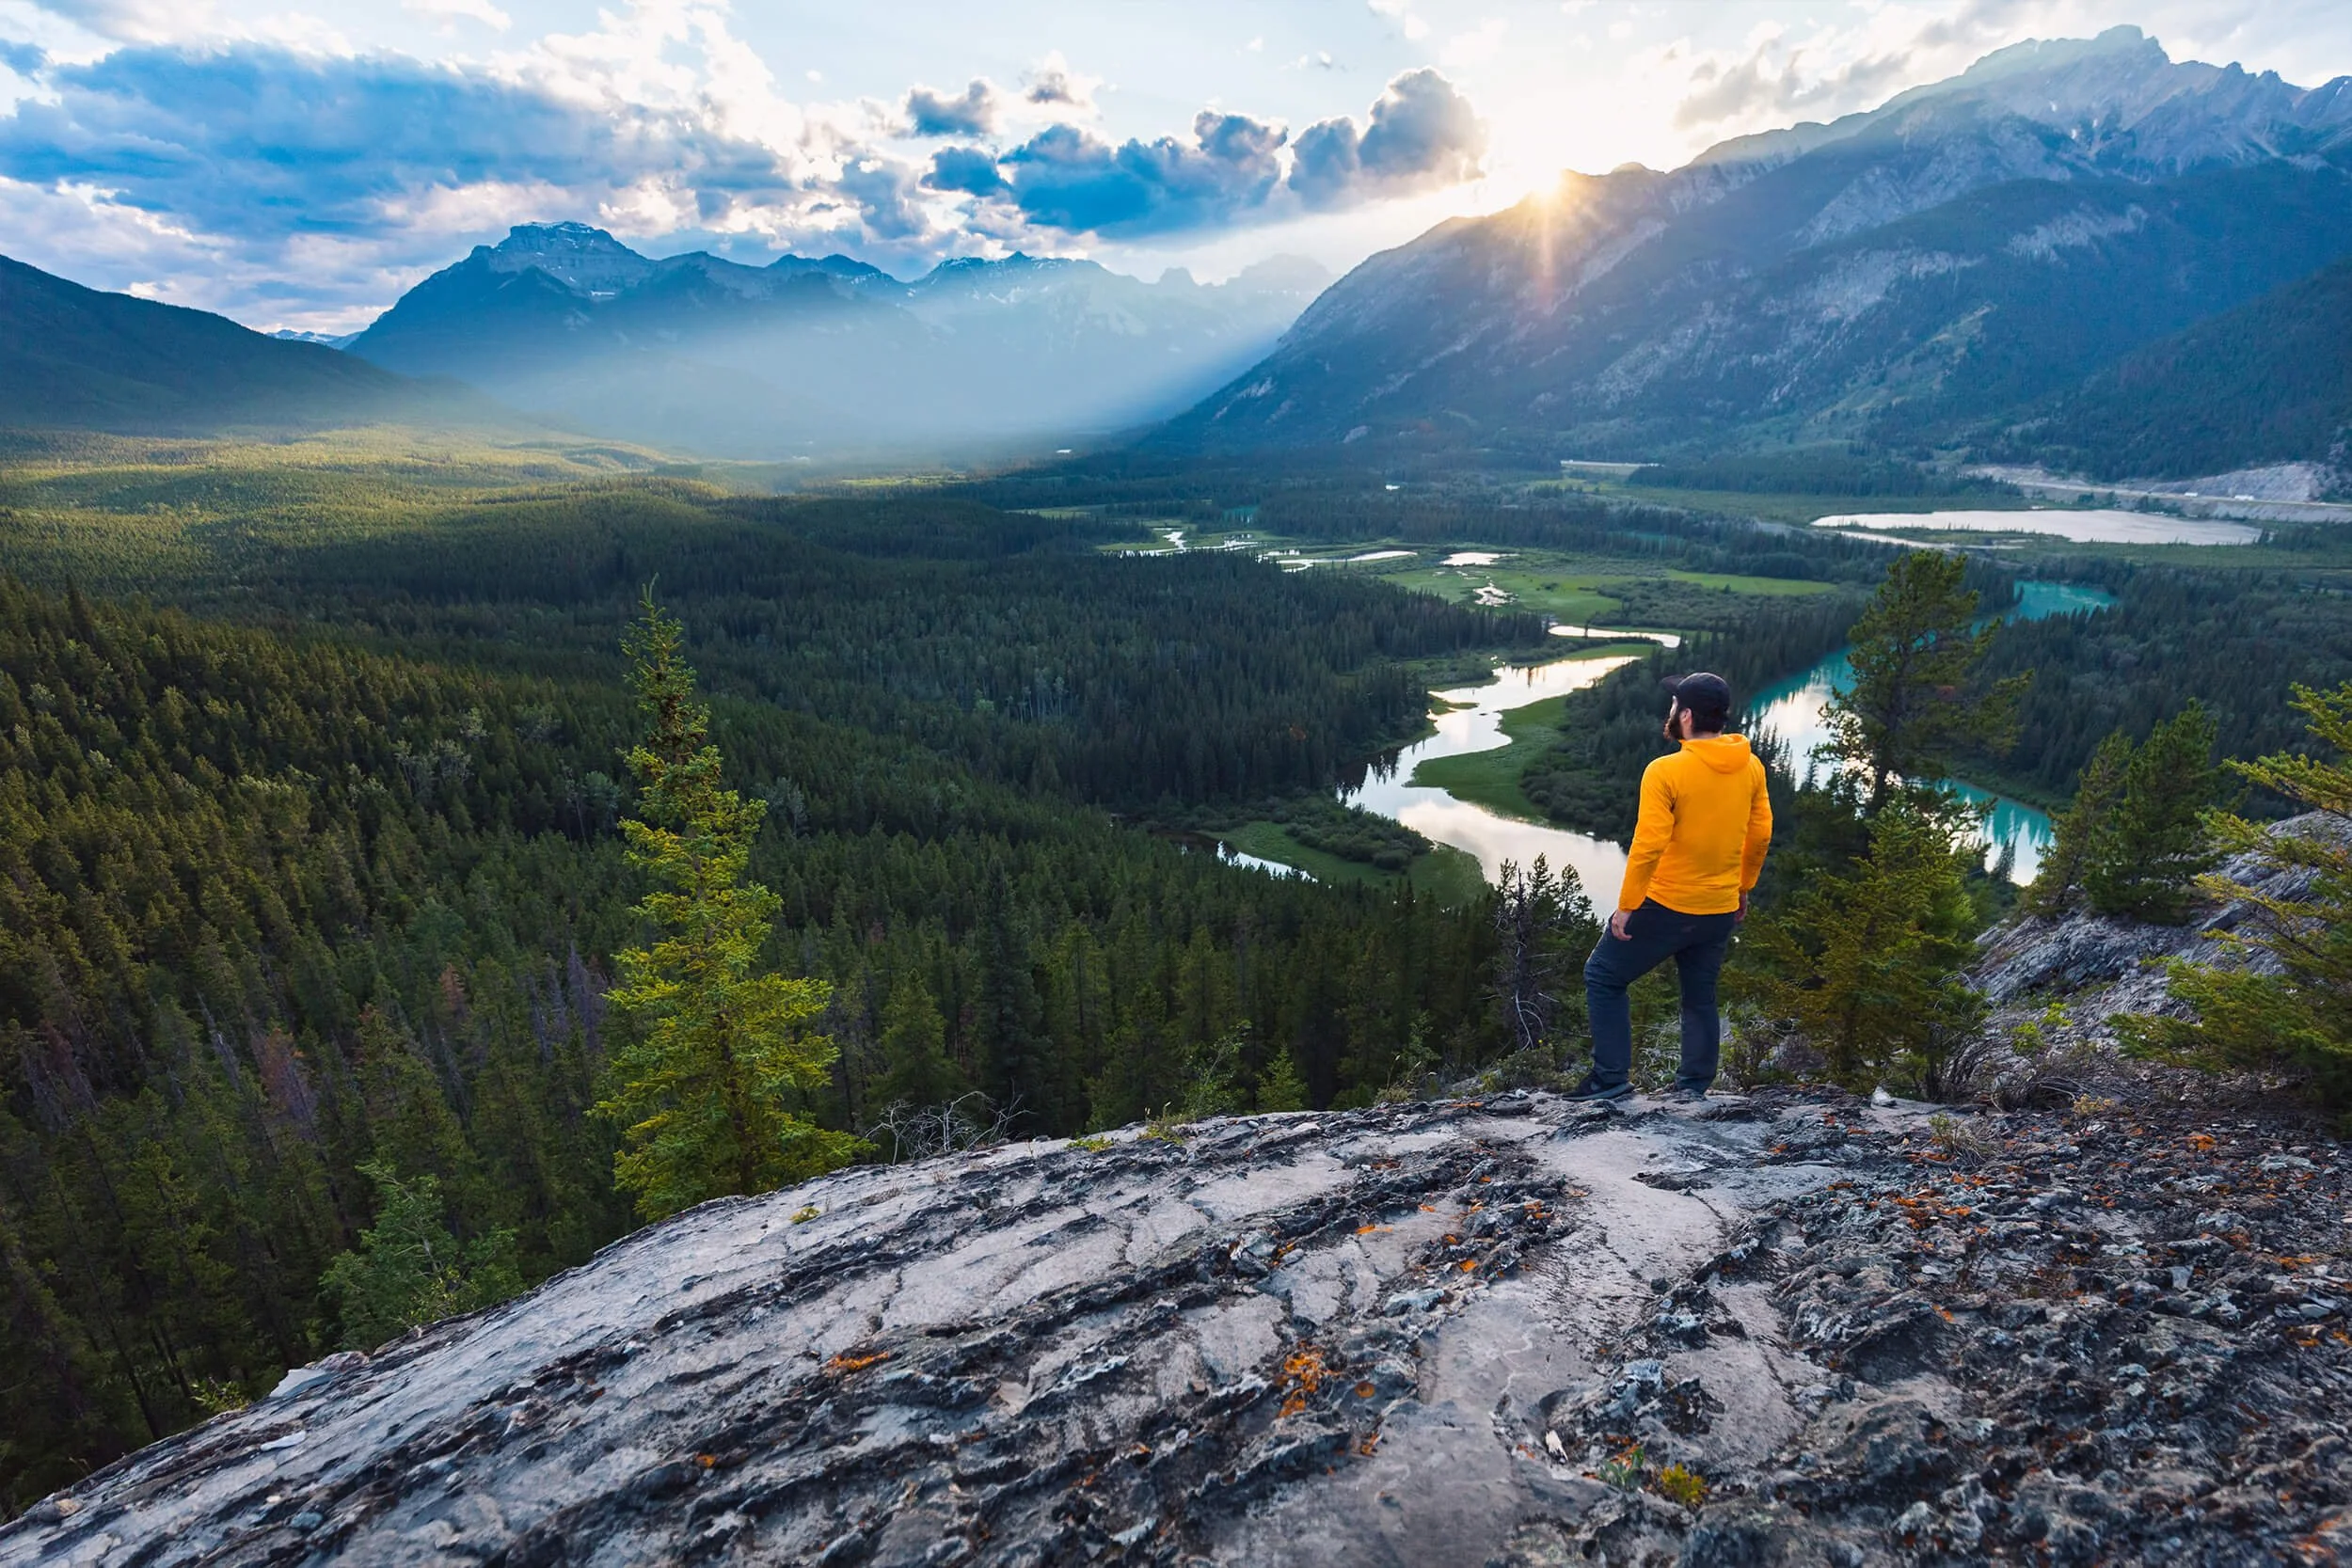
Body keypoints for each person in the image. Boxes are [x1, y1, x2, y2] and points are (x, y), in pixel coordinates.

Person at [1568, 672, 1772, 1104]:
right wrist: (1743, 887)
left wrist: (1627, 905)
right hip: (1719, 907)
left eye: (1675, 704)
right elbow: (1760, 835)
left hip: (1666, 904)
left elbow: (1648, 844)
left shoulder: (1665, 771)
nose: (1671, 710)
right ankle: (1693, 1086)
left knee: (1603, 975)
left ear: (1687, 716)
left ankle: (1610, 1080)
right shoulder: (1751, 766)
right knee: (1699, 996)